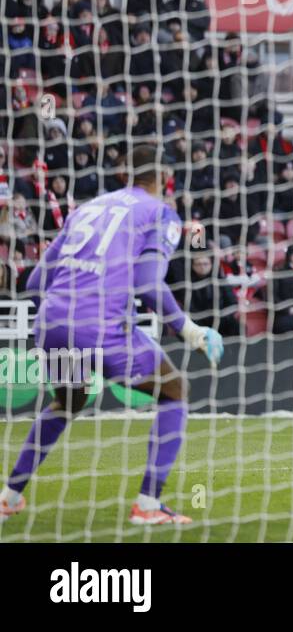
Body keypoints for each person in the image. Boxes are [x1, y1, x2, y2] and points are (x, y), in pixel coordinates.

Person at [1, 146, 224, 524]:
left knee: (68, 402)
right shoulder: (159, 212)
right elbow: (148, 283)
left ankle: (8, 497)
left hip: (52, 324)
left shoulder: (87, 208)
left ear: (124, 175)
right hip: (100, 325)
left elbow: (36, 280)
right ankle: (148, 506)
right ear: (164, 180)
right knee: (175, 392)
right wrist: (190, 330)